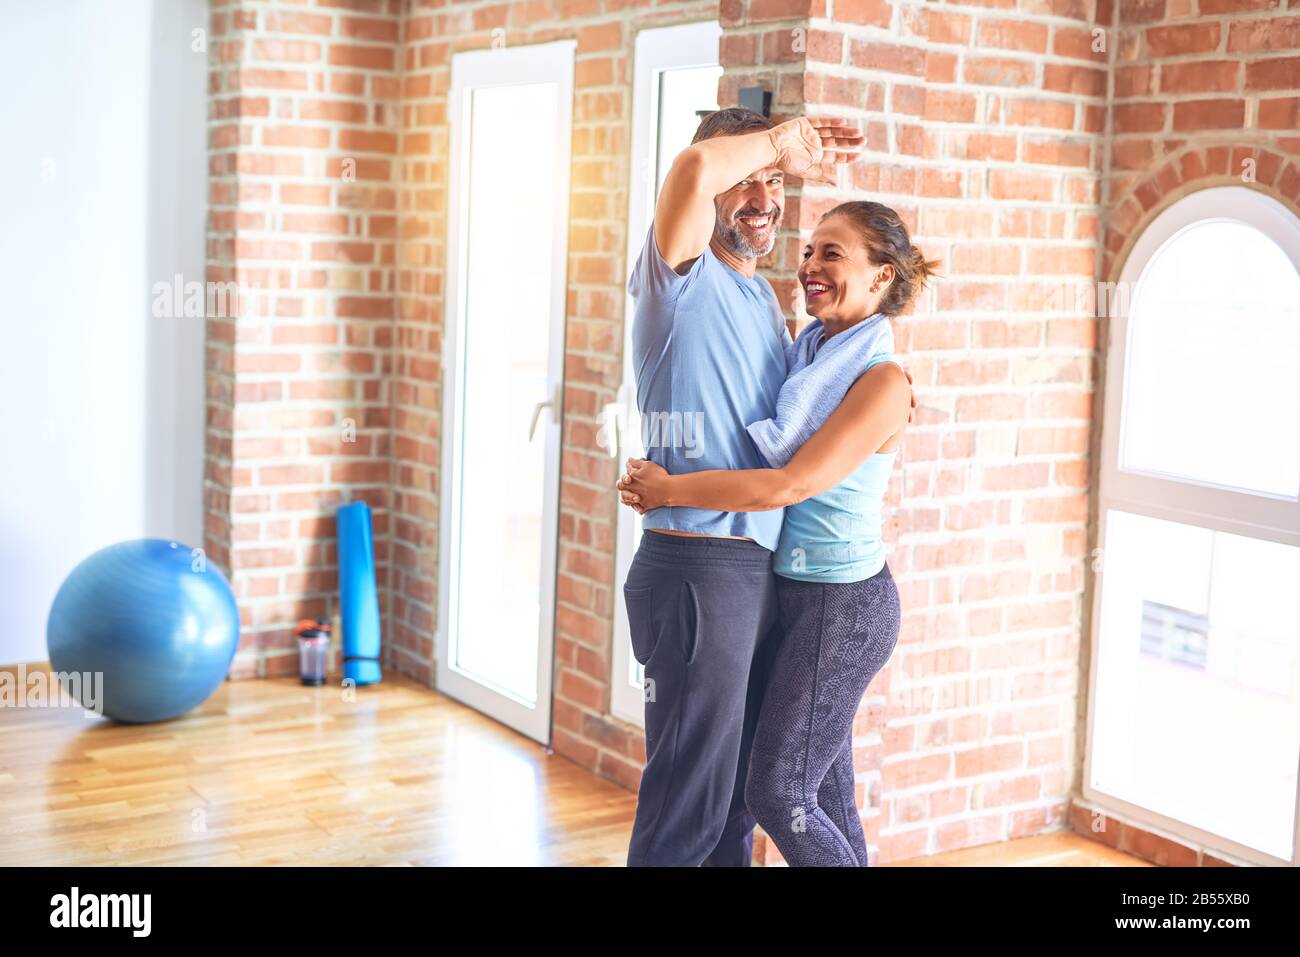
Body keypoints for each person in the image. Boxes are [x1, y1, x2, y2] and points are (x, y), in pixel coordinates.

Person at [619, 200, 940, 865]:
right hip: (793, 594)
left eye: (833, 253)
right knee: (827, 793)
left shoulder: (881, 380)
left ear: (882, 275)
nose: (810, 264)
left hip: (842, 607)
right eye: (810, 250)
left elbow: (788, 485)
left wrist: (670, 490)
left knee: (778, 792)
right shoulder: (812, 353)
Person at [620, 107, 866, 866]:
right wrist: (782, 144)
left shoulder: (762, 299)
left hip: (753, 566)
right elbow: (694, 170)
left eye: (774, 184)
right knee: (688, 803)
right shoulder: (677, 276)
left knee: (735, 804)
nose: (763, 199)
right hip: (697, 564)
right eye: (745, 183)